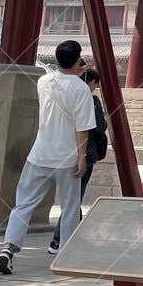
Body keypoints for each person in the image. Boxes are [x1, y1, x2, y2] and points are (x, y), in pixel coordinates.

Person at [0, 40, 95, 276]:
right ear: (78, 60)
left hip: (40, 154)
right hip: (67, 157)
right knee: (70, 207)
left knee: (23, 204)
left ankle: (8, 248)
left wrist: (74, 70)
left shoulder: (43, 81)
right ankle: (64, 257)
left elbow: (61, 82)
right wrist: (82, 157)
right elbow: (82, 128)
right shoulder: (82, 90)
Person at [49, 68, 109, 255]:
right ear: (91, 82)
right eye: (95, 84)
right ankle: (58, 240)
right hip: (84, 154)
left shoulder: (63, 95)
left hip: (61, 151)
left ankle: (73, 234)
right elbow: (99, 126)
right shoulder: (91, 100)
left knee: (71, 197)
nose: (95, 87)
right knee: (74, 198)